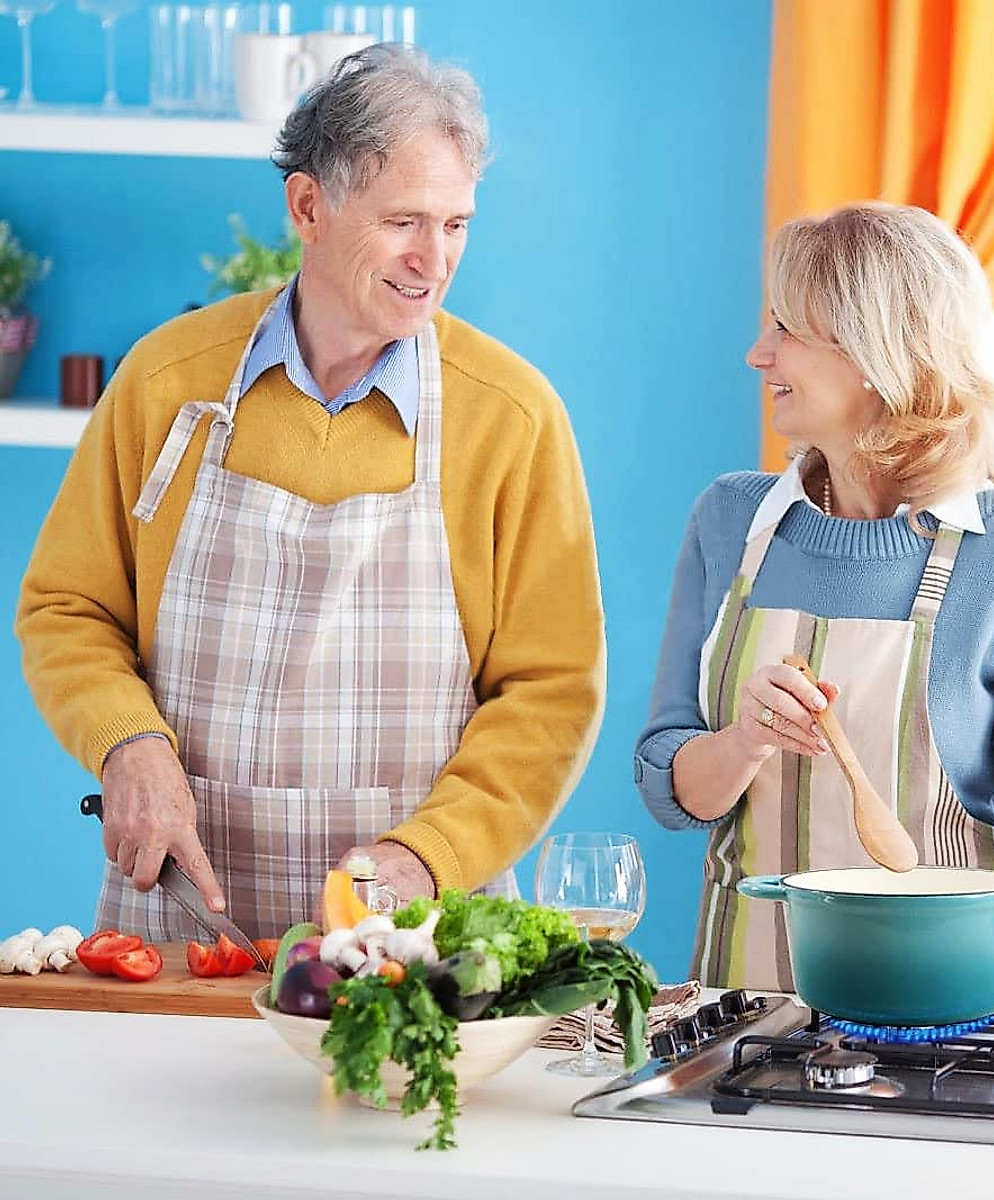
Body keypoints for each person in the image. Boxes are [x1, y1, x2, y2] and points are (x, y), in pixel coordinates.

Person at [16, 46, 604, 941]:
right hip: (183, 920)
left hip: (415, 936)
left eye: (456, 224)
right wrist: (125, 743)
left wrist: (430, 853)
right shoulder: (167, 379)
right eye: (404, 221)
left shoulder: (511, 417)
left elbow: (553, 691)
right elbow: (67, 608)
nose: (433, 260)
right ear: (308, 207)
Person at [634, 202, 994, 998]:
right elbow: (670, 783)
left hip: (960, 993)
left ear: (875, 351)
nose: (757, 354)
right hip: (753, 999)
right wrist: (745, 739)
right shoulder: (731, 521)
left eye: (786, 328)